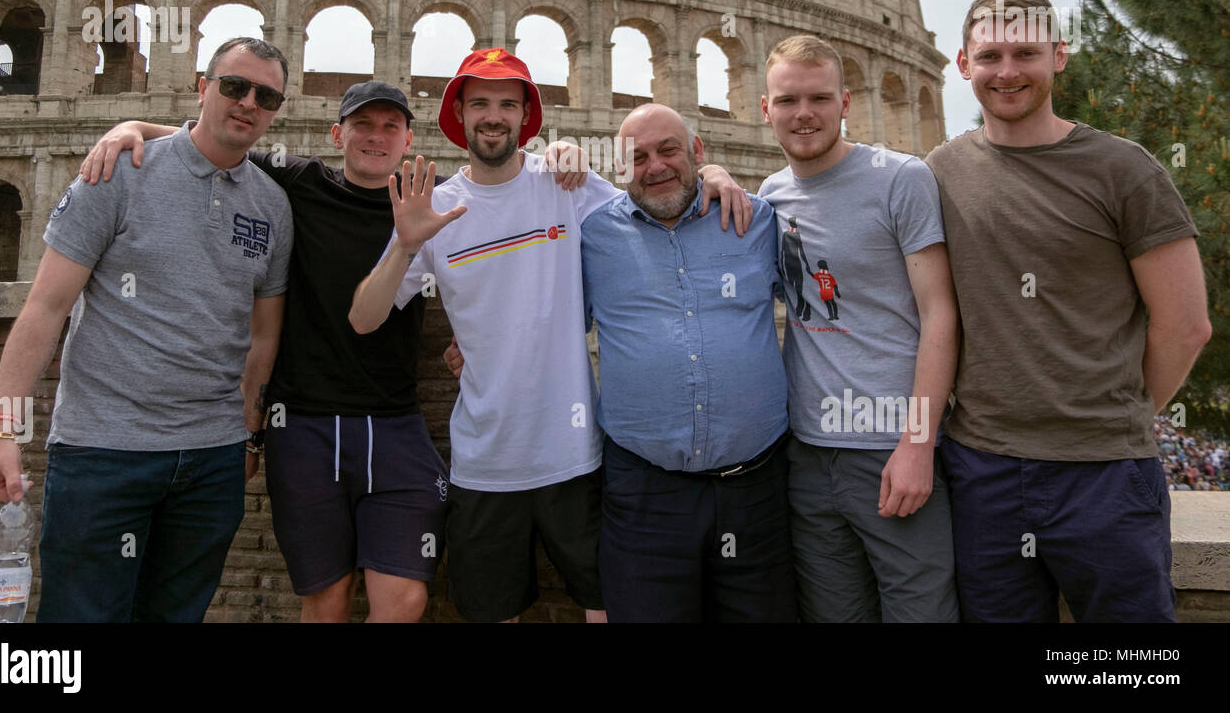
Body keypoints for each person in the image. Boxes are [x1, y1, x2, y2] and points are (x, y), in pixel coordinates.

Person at [349, 47, 750, 623]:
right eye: (480, 103)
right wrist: (406, 246)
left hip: (575, 456)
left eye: (507, 105)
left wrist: (709, 170)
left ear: (525, 117)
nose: (494, 116)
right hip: (483, 462)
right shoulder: (433, 210)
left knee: (606, 606)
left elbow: (660, 209)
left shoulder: (568, 185)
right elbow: (365, 318)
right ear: (459, 115)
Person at [76, 80, 451, 622]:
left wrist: (559, 154)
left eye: (390, 126)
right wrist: (134, 127)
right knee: (326, 599)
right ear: (336, 134)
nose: (376, 136)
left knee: (405, 599)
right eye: (363, 125)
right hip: (303, 422)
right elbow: (212, 143)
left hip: (396, 420)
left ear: (409, 138)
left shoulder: (429, 203)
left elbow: (501, 208)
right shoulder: (299, 181)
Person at [0, 36, 293, 622]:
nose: (249, 102)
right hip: (103, 450)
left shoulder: (273, 204)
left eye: (267, 96)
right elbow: (45, 309)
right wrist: (2, 433)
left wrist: (248, 433)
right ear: (203, 88)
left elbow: (264, 334)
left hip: (212, 456)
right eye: (234, 86)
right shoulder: (119, 171)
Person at [926, 0, 1212, 622]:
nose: (1007, 71)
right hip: (982, 469)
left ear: (1058, 55)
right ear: (963, 64)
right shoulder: (938, 171)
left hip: (1104, 471)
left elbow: (1186, 325)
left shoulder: (1124, 169)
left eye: (1025, 52)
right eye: (990, 54)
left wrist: (1112, 411)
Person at [759, 34, 960, 622]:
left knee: (919, 613)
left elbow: (940, 312)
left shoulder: (900, 179)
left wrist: (919, 442)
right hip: (808, 451)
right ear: (764, 109)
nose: (804, 114)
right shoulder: (771, 194)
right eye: (788, 100)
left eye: (819, 97)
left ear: (846, 101)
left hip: (890, 448)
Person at [580, 103, 797, 622]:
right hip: (644, 493)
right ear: (619, 167)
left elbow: (828, 310)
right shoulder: (593, 238)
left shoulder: (757, 219)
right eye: (638, 156)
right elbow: (544, 317)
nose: (654, 165)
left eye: (669, 150)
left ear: (698, 152)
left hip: (756, 488)